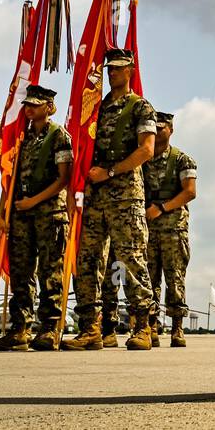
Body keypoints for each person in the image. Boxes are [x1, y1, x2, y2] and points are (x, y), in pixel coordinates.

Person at [61, 49, 156, 351]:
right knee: (87, 261)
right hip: (94, 197)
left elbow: (146, 150)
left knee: (131, 260)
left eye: (118, 68)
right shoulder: (94, 109)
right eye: (109, 68)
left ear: (130, 70)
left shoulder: (140, 107)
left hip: (125, 196)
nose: (112, 72)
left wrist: (111, 171)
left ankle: (142, 326)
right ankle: (91, 327)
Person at [0, 84, 72, 352]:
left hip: (49, 213)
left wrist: (33, 201)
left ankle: (49, 327)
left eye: (35, 105)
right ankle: (19, 328)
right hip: (21, 213)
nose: (29, 109)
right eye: (27, 105)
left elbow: (63, 178)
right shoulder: (20, 138)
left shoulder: (59, 136)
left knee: (50, 271)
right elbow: (9, 179)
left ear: (49, 107)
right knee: (21, 272)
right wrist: (5, 212)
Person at [142, 111, 197, 348]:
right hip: (148, 228)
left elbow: (189, 192)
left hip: (174, 228)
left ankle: (177, 328)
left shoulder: (182, 160)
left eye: (162, 128)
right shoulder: (142, 159)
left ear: (171, 130)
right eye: (154, 127)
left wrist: (161, 208)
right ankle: (151, 326)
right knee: (149, 279)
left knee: (175, 278)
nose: (157, 131)